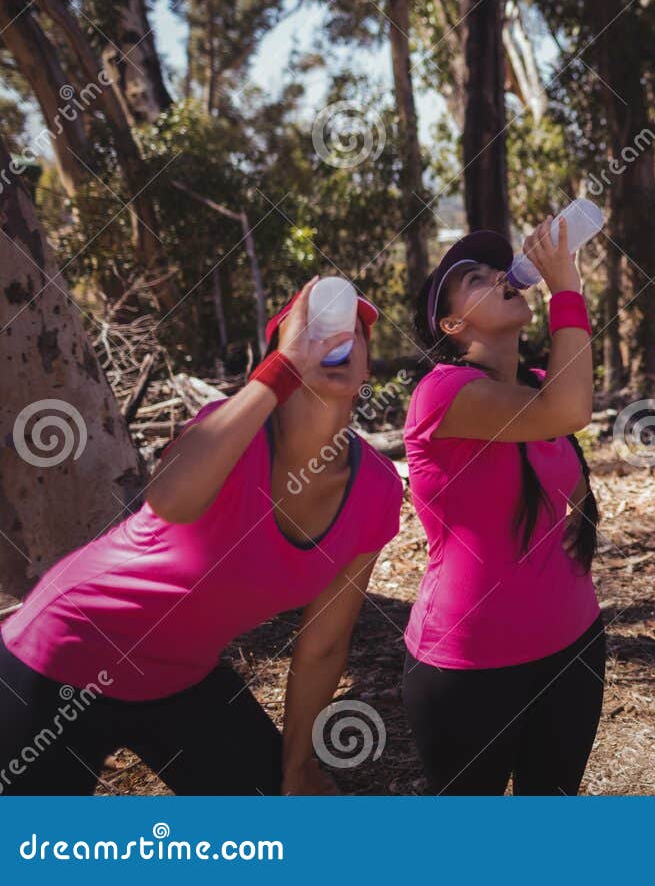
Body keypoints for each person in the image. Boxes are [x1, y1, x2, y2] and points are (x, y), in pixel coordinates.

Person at [0, 279, 401, 795]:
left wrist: (298, 765)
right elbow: (167, 500)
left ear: (367, 366)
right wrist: (280, 374)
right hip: (64, 654)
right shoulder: (228, 432)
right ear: (278, 355)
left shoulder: (377, 488)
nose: (336, 335)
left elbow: (324, 645)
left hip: (180, 675)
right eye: (312, 327)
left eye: (354, 330)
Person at [404, 218, 604, 795]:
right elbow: (568, 413)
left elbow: (569, 466)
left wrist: (583, 518)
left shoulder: (542, 383)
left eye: (498, 268)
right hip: (469, 666)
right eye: (474, 278)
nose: (498, 274)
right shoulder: (441, 394)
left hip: (574, 645)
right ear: (452, 324)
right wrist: (567, 288)